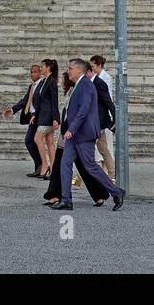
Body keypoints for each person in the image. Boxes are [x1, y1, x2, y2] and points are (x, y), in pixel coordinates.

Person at [49, 59, 125, 211]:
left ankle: (117, 192)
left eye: (70, 68)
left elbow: (83, 111)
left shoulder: (86, 85)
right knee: (65, 164)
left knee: (90, 166)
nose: (68, 71)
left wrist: (71, 129)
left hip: (83, 134)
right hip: (73, 135)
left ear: (79, 70)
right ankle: (66, 200)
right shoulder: (78, 86)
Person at [43, 68, 109, 207]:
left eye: (63, 79)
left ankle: (58, 195)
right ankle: (97, 195)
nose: (60, 82)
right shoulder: (70, 92)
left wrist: (69, 131)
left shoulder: (76, 91)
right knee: (69, 165)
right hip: (69, 134)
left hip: (73, 134)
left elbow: (79, 114)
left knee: (79, 166)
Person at [3, 64, 44, 176]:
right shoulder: (32, 86)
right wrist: (12, 110)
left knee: (30, 140)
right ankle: (40, 166)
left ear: (40, 73)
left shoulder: (43, 85)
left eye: (35, 72)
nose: (32, 74)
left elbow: (43, 102)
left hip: (39, 117)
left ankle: (42, 166)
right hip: (32, 117)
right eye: (31, 72)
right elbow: (24, 101)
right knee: (31, 141)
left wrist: (37, 114)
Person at [31, 59, 60, 178]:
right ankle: (53, 169)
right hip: (42, 115)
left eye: (42, 66)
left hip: (48, 117)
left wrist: (55, 118)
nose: (41, 68)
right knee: (49, 142)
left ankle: (45, 165)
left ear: (48, 67)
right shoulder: (44, 81)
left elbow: (54, 101)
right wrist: (34, 115)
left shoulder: (52, 82)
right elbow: (40, 101)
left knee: (37, 139)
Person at [89, 54, 117, 179]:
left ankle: (108, 173)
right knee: (102, 148)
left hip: (100, 120)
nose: (92, 68)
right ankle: (110, 173)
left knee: (88, 148)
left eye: (93, 66)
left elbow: (108, 100)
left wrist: (114, 117)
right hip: (97, 120)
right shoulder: (94, 80)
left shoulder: (102, 80)